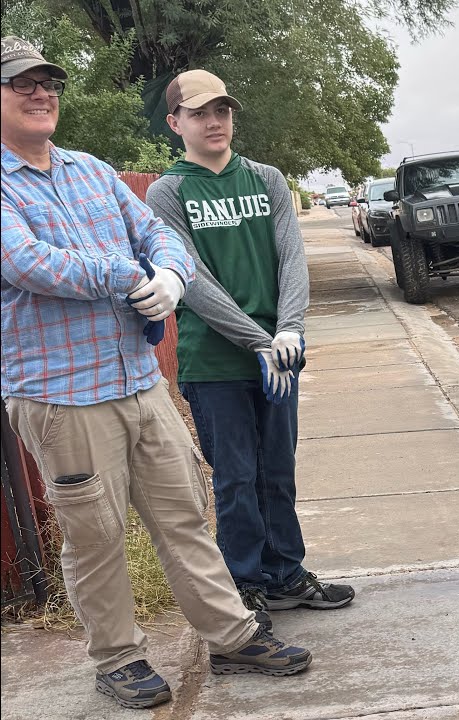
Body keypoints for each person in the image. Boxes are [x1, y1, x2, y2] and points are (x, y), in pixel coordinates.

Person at [0, 37, 311, 710]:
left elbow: (160, 236)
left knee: (185, 517)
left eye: (47, 81)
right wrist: (132, 275)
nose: (39, 93)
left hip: (139, 382)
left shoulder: (90, 170)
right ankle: (116, 658)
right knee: (95, 535)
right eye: (20, 84)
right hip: (63, 397)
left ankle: (232, 636)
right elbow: (28, 263)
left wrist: (171, 270)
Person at [145, 69, 355, 630]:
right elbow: (191, 278)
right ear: (175, 123)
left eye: (222, 111)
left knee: (278, 469)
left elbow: (291, 258)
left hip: (278, 357)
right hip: (215, 361)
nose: (214, 122)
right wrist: (257, 340)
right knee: (235, 477)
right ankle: (244, 581)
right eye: (198, 113)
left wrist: (288, 330)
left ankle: (287, 572)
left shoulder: (266, 178)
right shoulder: (169, 192)